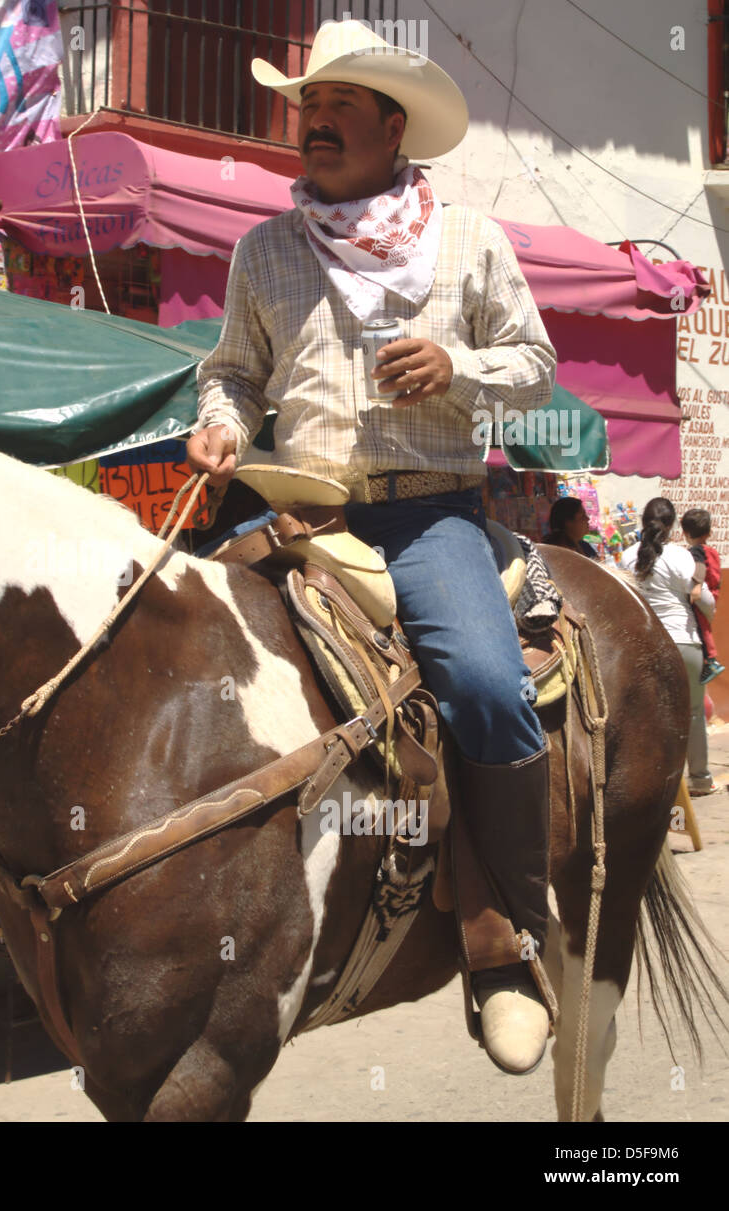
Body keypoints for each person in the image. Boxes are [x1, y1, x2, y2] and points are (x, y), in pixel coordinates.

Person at [187, 18, 558, 1074]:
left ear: (392, 126)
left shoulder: (471, 240)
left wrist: (458, 367)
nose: (311, 124)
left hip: (426, 511)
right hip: (294, 511)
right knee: (172, 664)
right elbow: (231, 373)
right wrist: (218, 420)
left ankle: (505, 943)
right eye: (306, 108)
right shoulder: (263, 249)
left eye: (335, 108)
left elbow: (532, 361)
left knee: (486, 684)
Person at [621, 500, 716, 796]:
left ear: (642, 522)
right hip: (684, 642)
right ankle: (699, 779)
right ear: (674, 525)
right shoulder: (681, 556)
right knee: (693, 713)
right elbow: (705, 601)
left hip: (644, 644)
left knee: (648, 713)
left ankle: (655, 784)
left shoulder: (625, 557)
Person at [680, 507, 724, 684]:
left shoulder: (696, 551)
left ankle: (711, 661)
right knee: (705, 626)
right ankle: (710, 660)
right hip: (713, 592)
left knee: (701, 628)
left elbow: (699, 567)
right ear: (710, 532)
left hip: (703, 593)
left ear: (685, 533)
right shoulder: (711, 550)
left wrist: (697, 585)